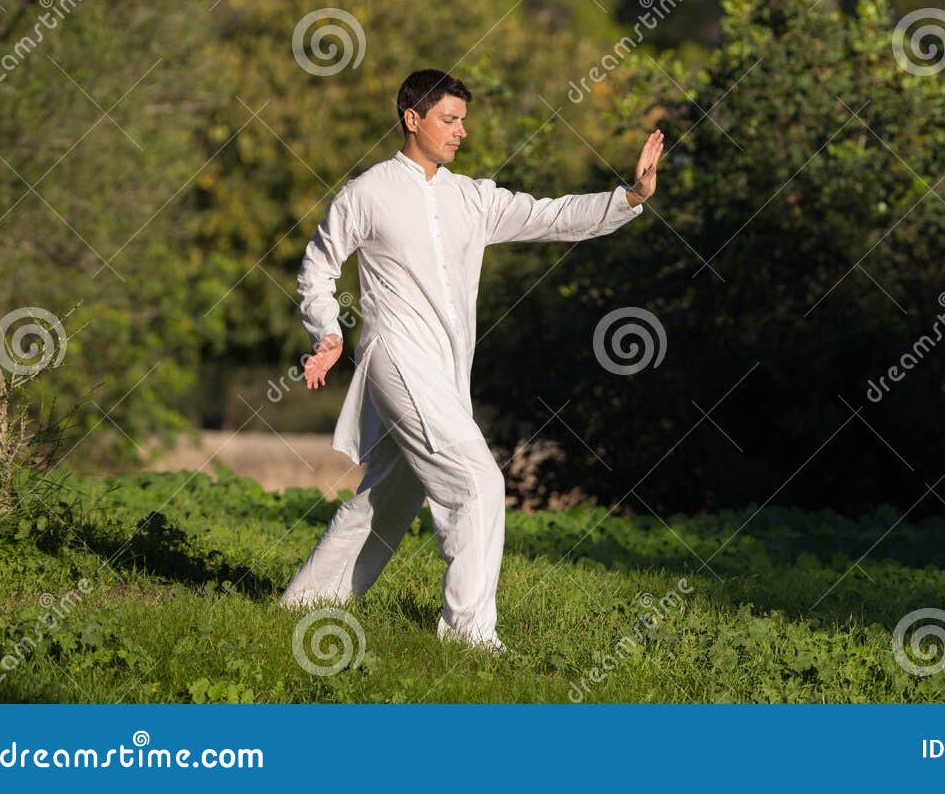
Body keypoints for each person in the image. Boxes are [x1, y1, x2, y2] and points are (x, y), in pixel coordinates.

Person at [278, 68, 662, 651]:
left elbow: (550, 216)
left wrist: (628, 198)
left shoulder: (471, 197)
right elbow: (317, 267)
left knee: (391, 494)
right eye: (449, 119)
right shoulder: (368, 192)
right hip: (394, 356)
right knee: (477, 480)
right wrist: (327, 332)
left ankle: (306, 602)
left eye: (463, 120)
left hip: (445, 371)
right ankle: (468, 635)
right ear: (413, 119)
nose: (461, 131)